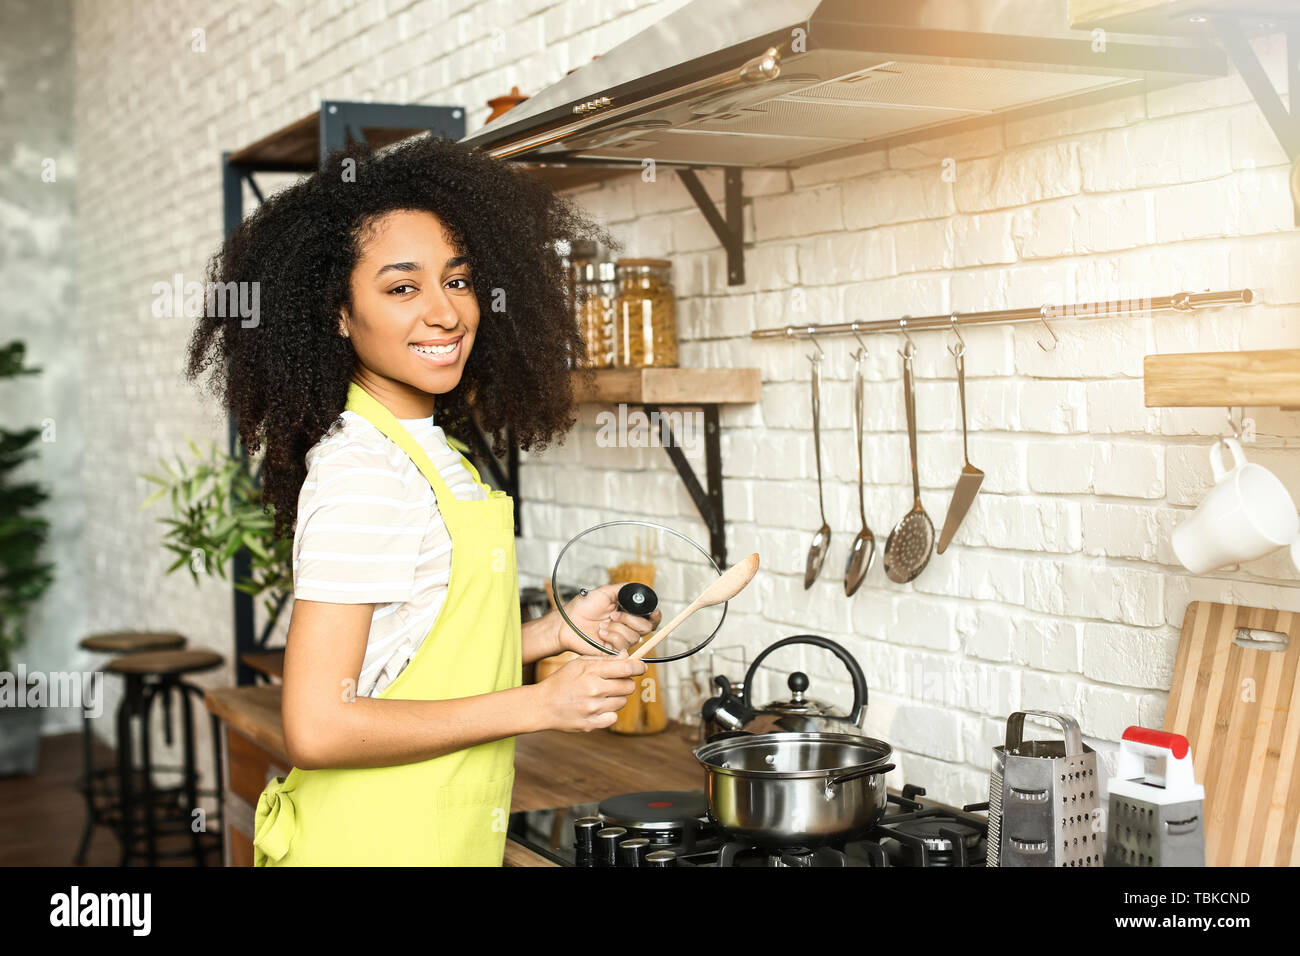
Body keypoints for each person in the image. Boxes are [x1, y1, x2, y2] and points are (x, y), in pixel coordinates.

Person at [185, 135, 656, 865]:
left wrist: (550, 634)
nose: (446, 313)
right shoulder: (364, 470)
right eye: (402, 288)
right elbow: (317, 725)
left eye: (458, 281)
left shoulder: (431, 449)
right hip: (371, 845)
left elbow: (409, 656)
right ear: (338, 313)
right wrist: (539, 704)